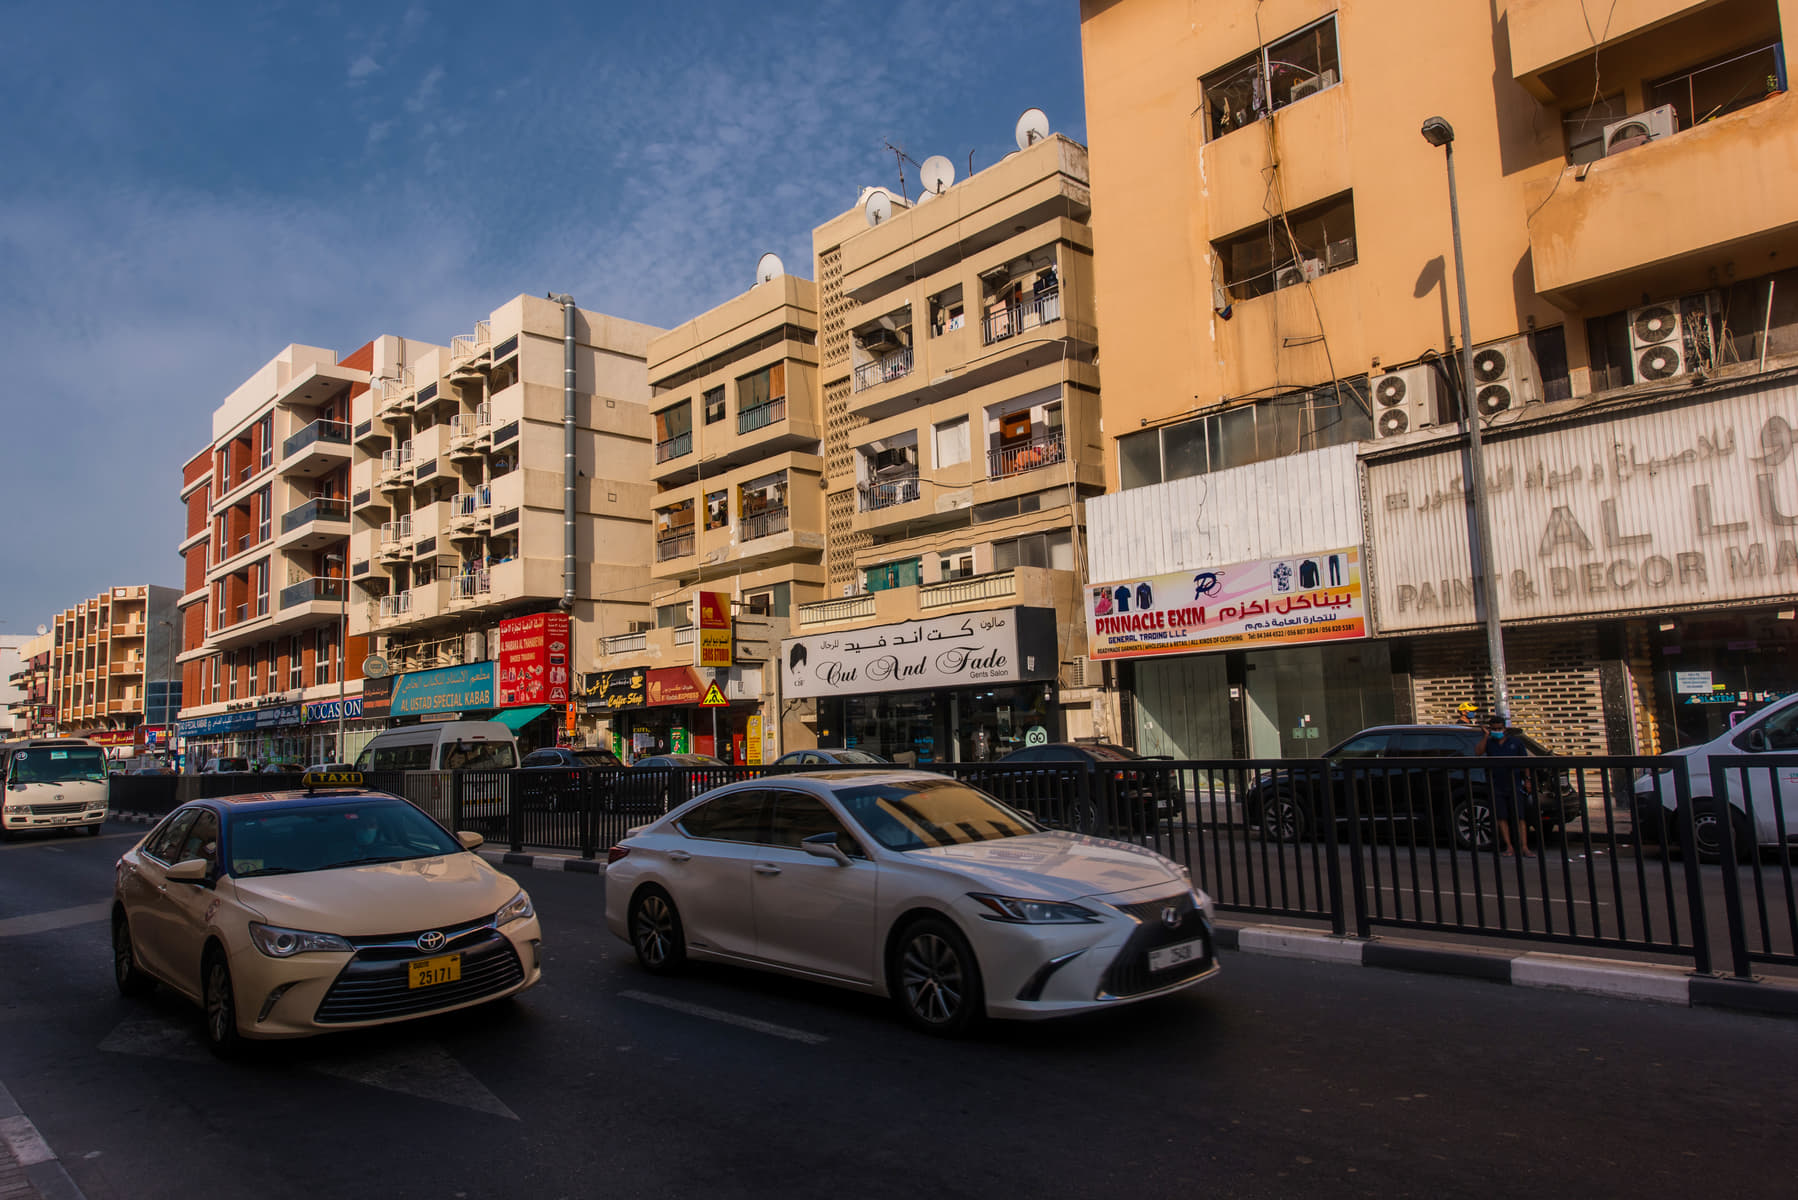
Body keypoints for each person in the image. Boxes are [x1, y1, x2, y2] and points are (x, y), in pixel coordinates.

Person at [1476, 714, 1533, 857]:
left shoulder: (1515, 742)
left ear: (1504, 728)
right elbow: (1478, 752)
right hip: (1497, 784)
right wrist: (1485, 736)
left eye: (1499, 728)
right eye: (1494, 729)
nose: (1497, 731)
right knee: (1502, 817)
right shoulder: (1490, 742)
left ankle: (1524, 846)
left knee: (1520, 817)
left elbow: (1525, 762)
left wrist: (1527, 780)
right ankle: (1509, 846)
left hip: (1514, 783)